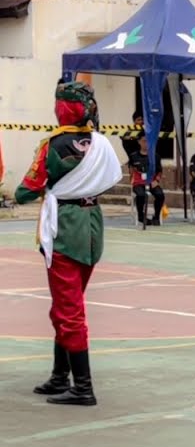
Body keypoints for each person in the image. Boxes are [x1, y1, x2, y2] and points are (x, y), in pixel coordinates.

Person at [17, 82, 122, 406]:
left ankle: (83, 387)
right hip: (92, 227)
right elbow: (113, 176)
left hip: (65, 228)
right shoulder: (101, 143)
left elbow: (26, 190)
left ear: (63, 108)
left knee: (69, 310)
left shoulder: (53, 144)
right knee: (66, 305)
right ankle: (60, 376)